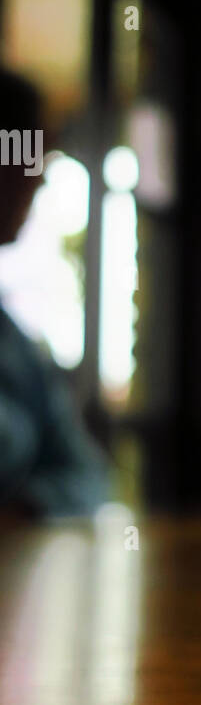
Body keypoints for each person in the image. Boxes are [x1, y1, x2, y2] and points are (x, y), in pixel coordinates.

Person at [0, 69, 108, 520]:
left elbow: (88, 476)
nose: (38, 178)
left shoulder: (15, 345)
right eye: (27, 156)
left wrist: (27, 507)